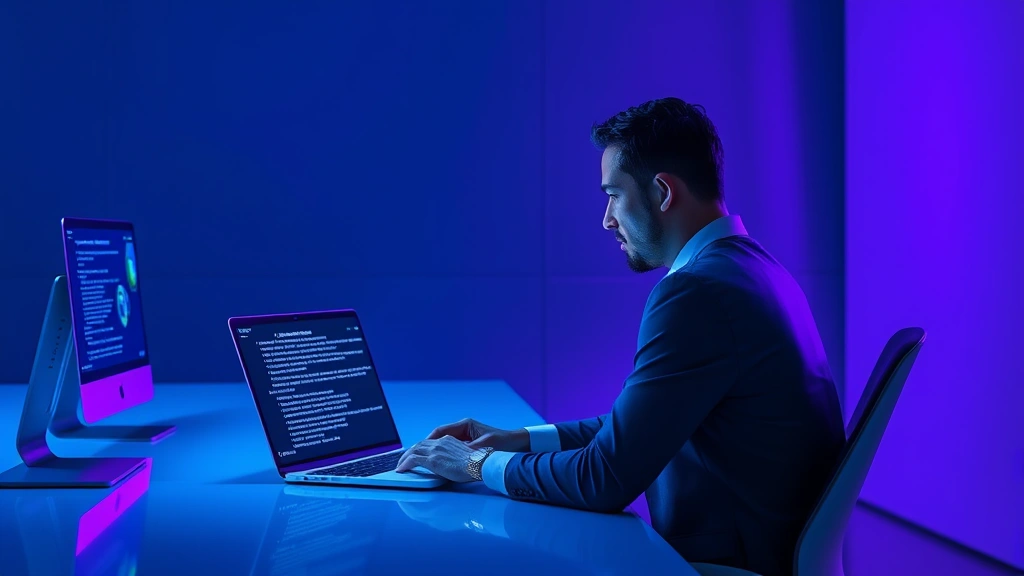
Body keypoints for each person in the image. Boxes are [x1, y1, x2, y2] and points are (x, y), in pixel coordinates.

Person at [395, 97, 846, 575]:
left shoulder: (696, 292)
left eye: (614, 194)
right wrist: (518, 440)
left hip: (729, 562)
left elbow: (604, 477)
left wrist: (473, 464)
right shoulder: (757, 271)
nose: (607, 219)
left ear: (662, 192)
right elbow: (641, 426)